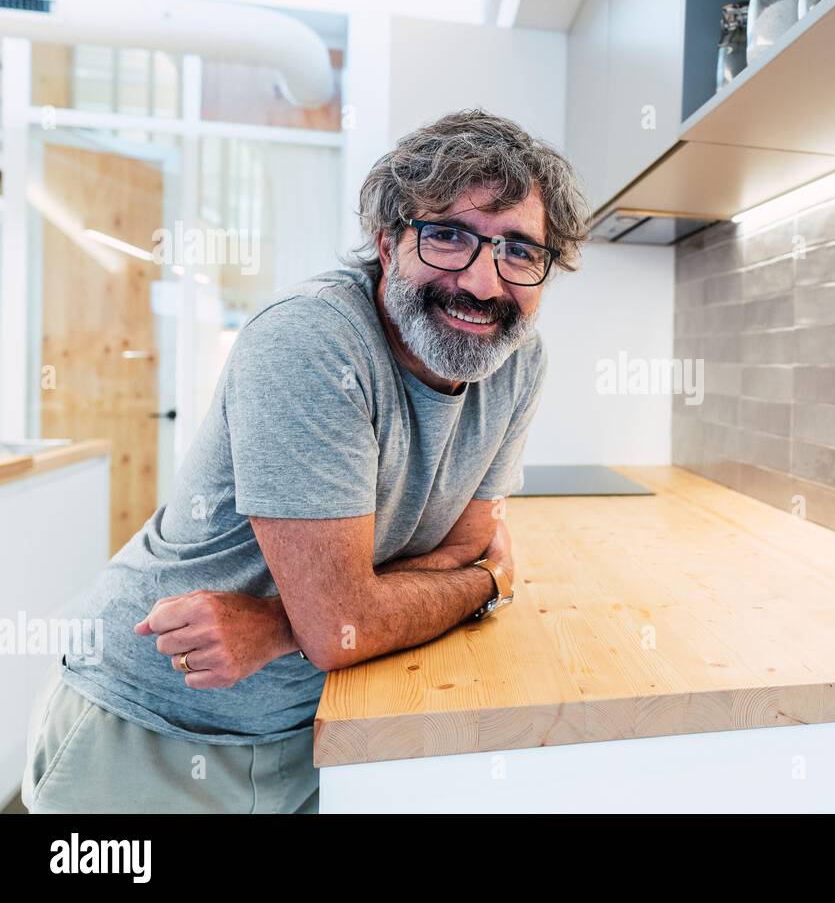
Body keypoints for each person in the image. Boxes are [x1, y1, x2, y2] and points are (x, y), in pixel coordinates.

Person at [21, 109, 589, 813]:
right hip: (149, 730)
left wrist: (282, 625)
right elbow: (420, 587)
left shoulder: (517, 359)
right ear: (388, 244)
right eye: (447, 236)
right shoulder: (312, 342)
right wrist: (485, 586)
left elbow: (460, 547)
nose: (482, 282)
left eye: (519, 251)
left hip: (312, 729)